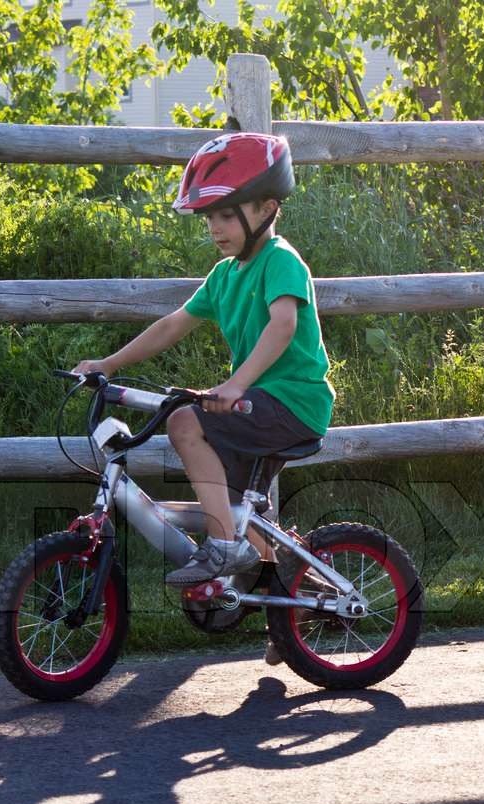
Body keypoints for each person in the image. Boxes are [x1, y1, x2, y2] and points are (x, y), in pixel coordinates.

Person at [72, 131, 334, 590]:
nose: (215, 227)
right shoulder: (223, 275)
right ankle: (296, 601)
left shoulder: (280, 261)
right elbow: (174, 324)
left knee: (185, 424)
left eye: (227, 215)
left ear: (266, 209)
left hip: (294, 402)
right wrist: (108, 364)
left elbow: (283, 326)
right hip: (258, 400)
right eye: (209, 217)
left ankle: (223, 547)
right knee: (236, 508)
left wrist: (235, 385)